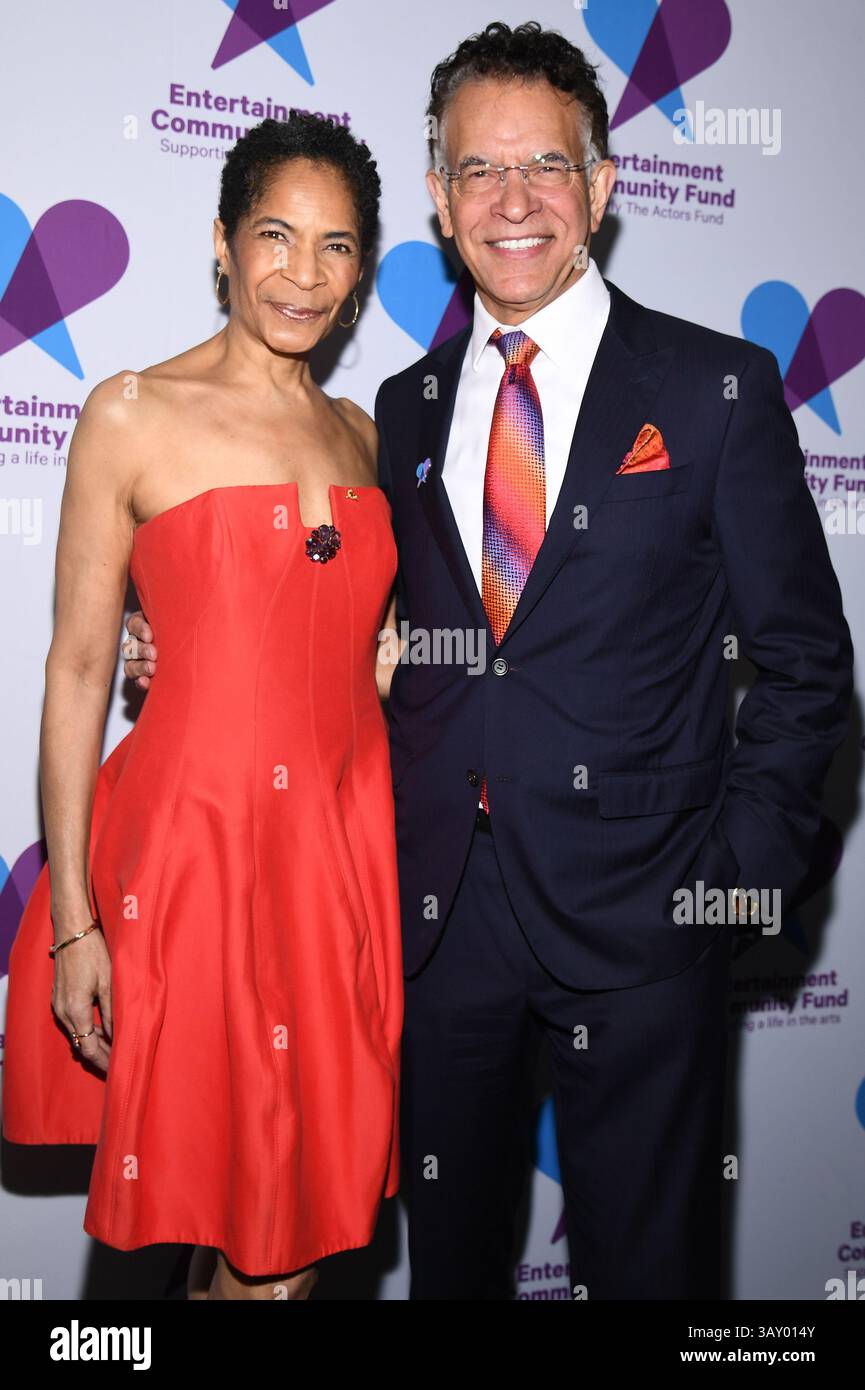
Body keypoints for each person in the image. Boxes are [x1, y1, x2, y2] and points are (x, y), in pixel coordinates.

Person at [131, 22, 852, 1300]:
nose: (512, 200)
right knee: (448, 1272)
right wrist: (181, 642)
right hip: (431, 926)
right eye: (476, 170)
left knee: (652, 1276)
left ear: (603, 185)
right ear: (436, 195)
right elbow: (366, 634)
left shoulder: (712, 388)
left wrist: (731, 885)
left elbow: (804, 668)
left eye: (546, 168)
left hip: (646, 931)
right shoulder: (399, 408)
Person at [2, 114, 404, 1301]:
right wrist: (77, 921)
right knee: (195, 1217)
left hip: (334, 861)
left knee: (297, 1249)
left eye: (336, 246)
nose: (303, 272)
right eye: (275, 236)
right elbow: (79, 670)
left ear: (362, 268)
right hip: (190, 860)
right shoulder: (131, 413)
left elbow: (352, 638)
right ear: (222, 244)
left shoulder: (367, 441)